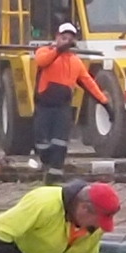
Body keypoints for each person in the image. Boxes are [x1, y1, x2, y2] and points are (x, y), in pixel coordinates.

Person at [25, 22, 99, 171]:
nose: (66, 41)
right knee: (42, 143)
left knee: (60, 143)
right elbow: (42, 61)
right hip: (44, 107)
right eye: (63, 37)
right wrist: (58, 50)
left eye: (69, 39)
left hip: (62, 109)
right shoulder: (45, 51)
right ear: (57, 37)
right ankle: (46, 164)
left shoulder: (75, 61)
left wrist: (105, 103)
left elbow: (89, 83)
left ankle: (55, 174)